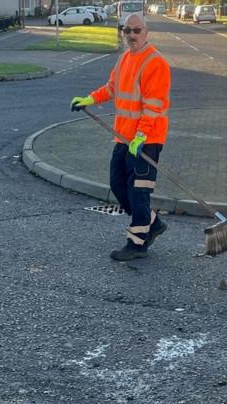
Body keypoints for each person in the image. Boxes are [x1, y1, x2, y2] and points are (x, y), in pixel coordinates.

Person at [70, 12, 172, 261]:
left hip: (146, 141)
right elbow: (112, 89)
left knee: (138, 192)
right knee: (117, 185)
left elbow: (153, 107)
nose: (132, 35)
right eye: (127, 31)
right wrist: (90, 99)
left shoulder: (155, 63)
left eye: (137, 31)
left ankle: (137, 244)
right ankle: (153, 222)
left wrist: (141, 137)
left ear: (146, 32)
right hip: (123, 138)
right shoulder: (125, 58)